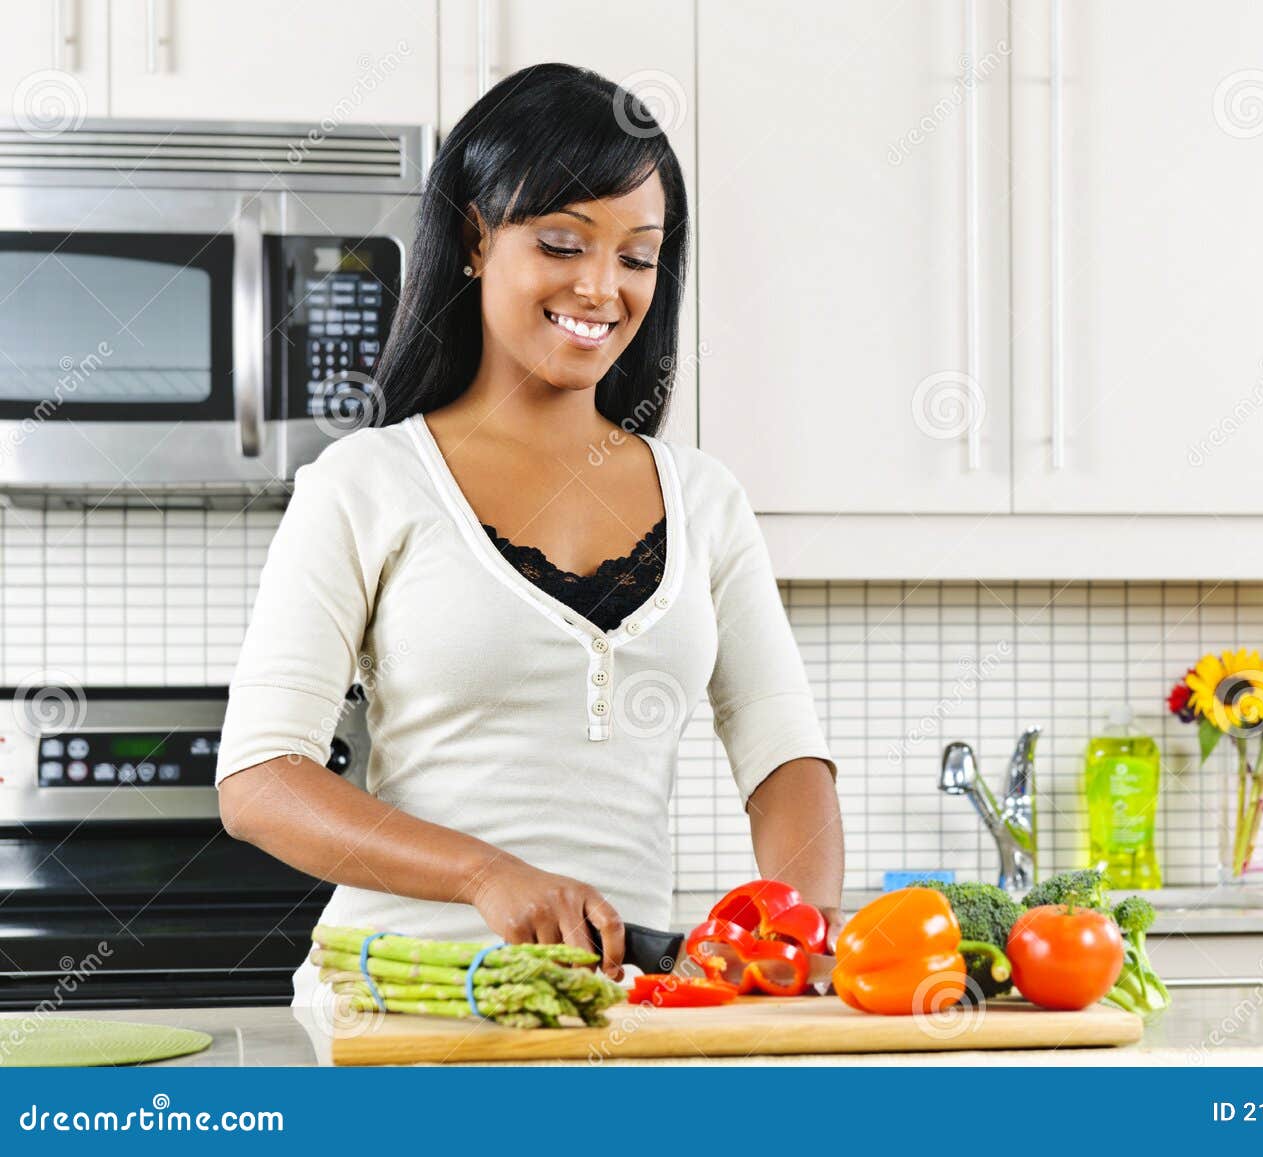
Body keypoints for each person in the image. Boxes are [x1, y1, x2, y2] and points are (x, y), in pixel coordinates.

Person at [214, 63, 844, 1017]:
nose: (602, 287)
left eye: (638, 256)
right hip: (406, 1003)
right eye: (562, 242)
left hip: (613, 1014)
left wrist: (800, 928)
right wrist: (483, 875)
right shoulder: (368, 483)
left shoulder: (708, 502)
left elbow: (785, 758)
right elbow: (260, 780)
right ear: (475, 238)